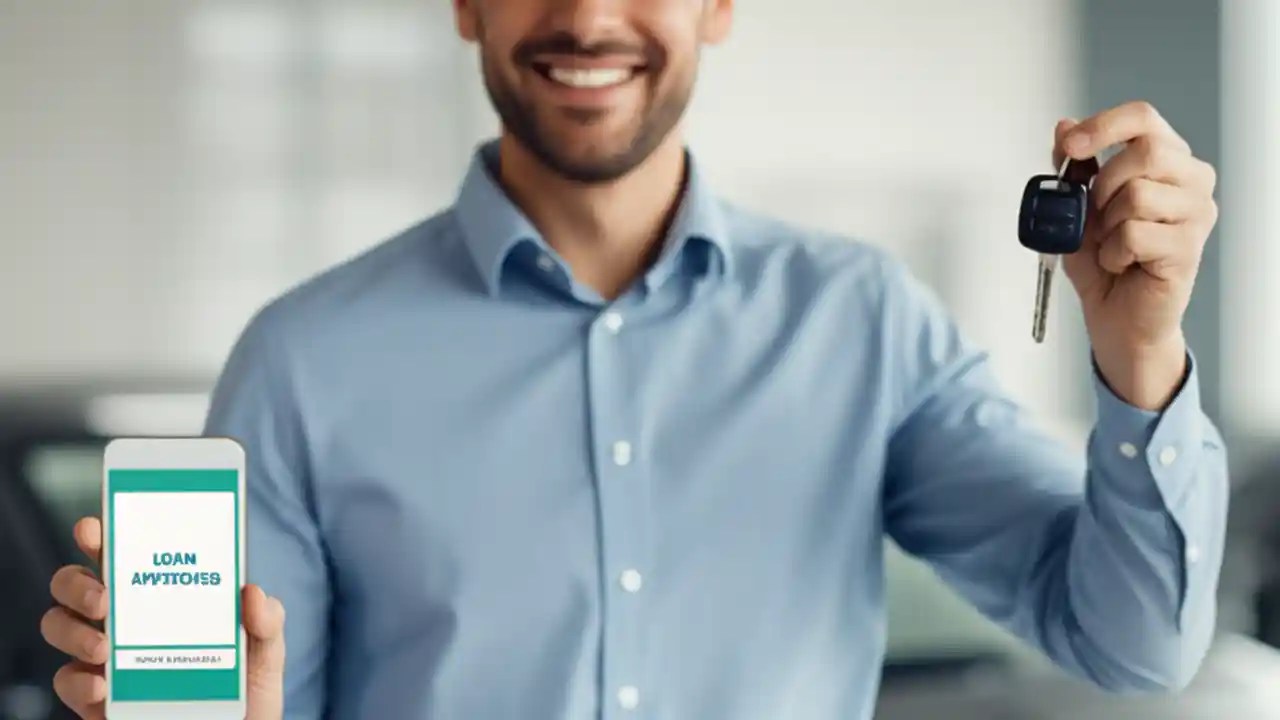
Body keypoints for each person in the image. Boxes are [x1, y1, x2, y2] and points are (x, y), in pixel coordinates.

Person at [41, 1, 1227, 718]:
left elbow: (1132, 648)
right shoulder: (300, 362)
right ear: (465, 5)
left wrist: (1138, 354)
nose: (588, 16)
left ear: (717, 5)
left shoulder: (864, 321)